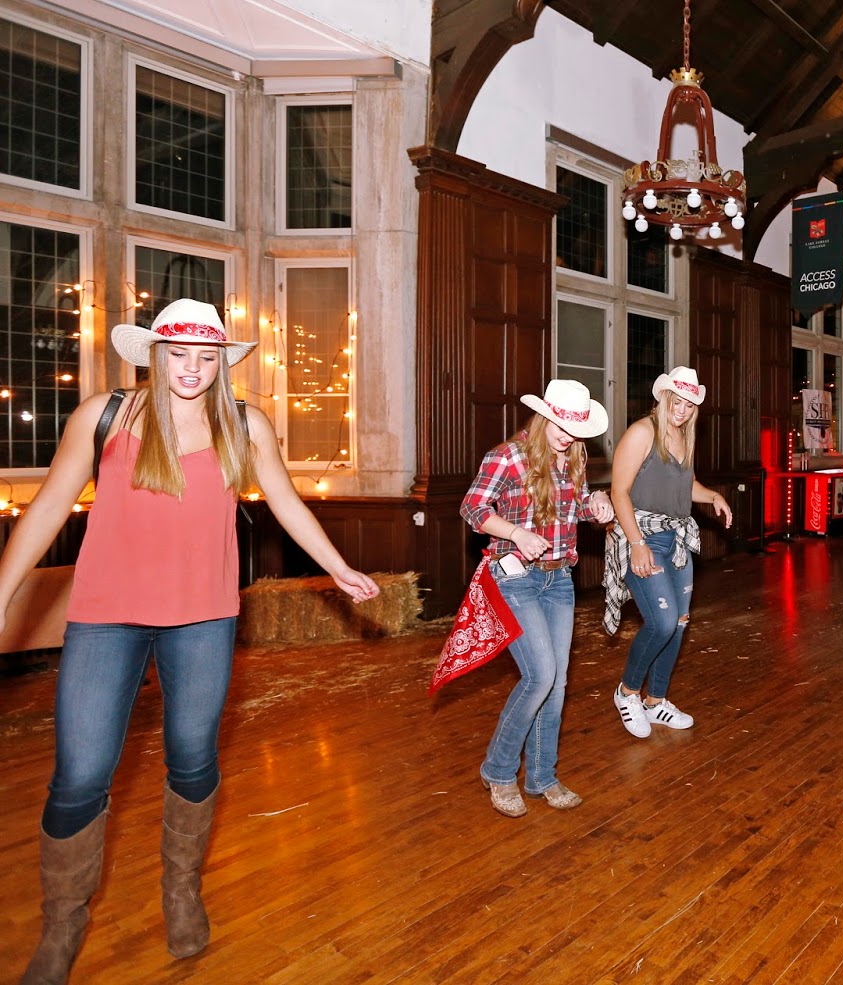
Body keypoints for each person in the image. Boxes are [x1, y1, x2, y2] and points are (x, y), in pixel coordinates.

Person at [0, 299, 381, 982]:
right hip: (107, 614)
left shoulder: (244, 423)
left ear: (222, 362)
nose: (192, 369)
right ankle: (62, 927)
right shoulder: (105, 416)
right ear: (155, 354)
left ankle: (181, 890)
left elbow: (285, 500)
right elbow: (51, 502)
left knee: (193, 759)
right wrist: (1, 592)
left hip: (203, 616)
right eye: (179, 354)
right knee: (80, 775)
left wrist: (337, 566)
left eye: (207, 357)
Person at [461, 379, 615, 817]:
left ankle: (542, 777)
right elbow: (473, 508)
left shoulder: (575, 457)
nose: (567, 435)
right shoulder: (508, 455)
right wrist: (515, 533)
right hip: (514, 579)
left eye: (575, 428)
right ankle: (499, 771)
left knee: (557, 682)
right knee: (540, 676)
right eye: (561, 425)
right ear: (544, 416)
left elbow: (575, 508)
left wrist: (596, 505)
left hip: (559, 579)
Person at [603, 367, 732, 739]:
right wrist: (637, 543)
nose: (682, 409)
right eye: (677, 401)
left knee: (678, 623)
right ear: (664, 398)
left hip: (676, 539)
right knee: (661, 622)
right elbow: (619, 492)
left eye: (689, 404)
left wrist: (713, 496)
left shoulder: (684, 437)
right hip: (642, 536)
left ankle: (656, 701)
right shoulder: (642, 432)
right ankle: (627, 692)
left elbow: (686, 485)